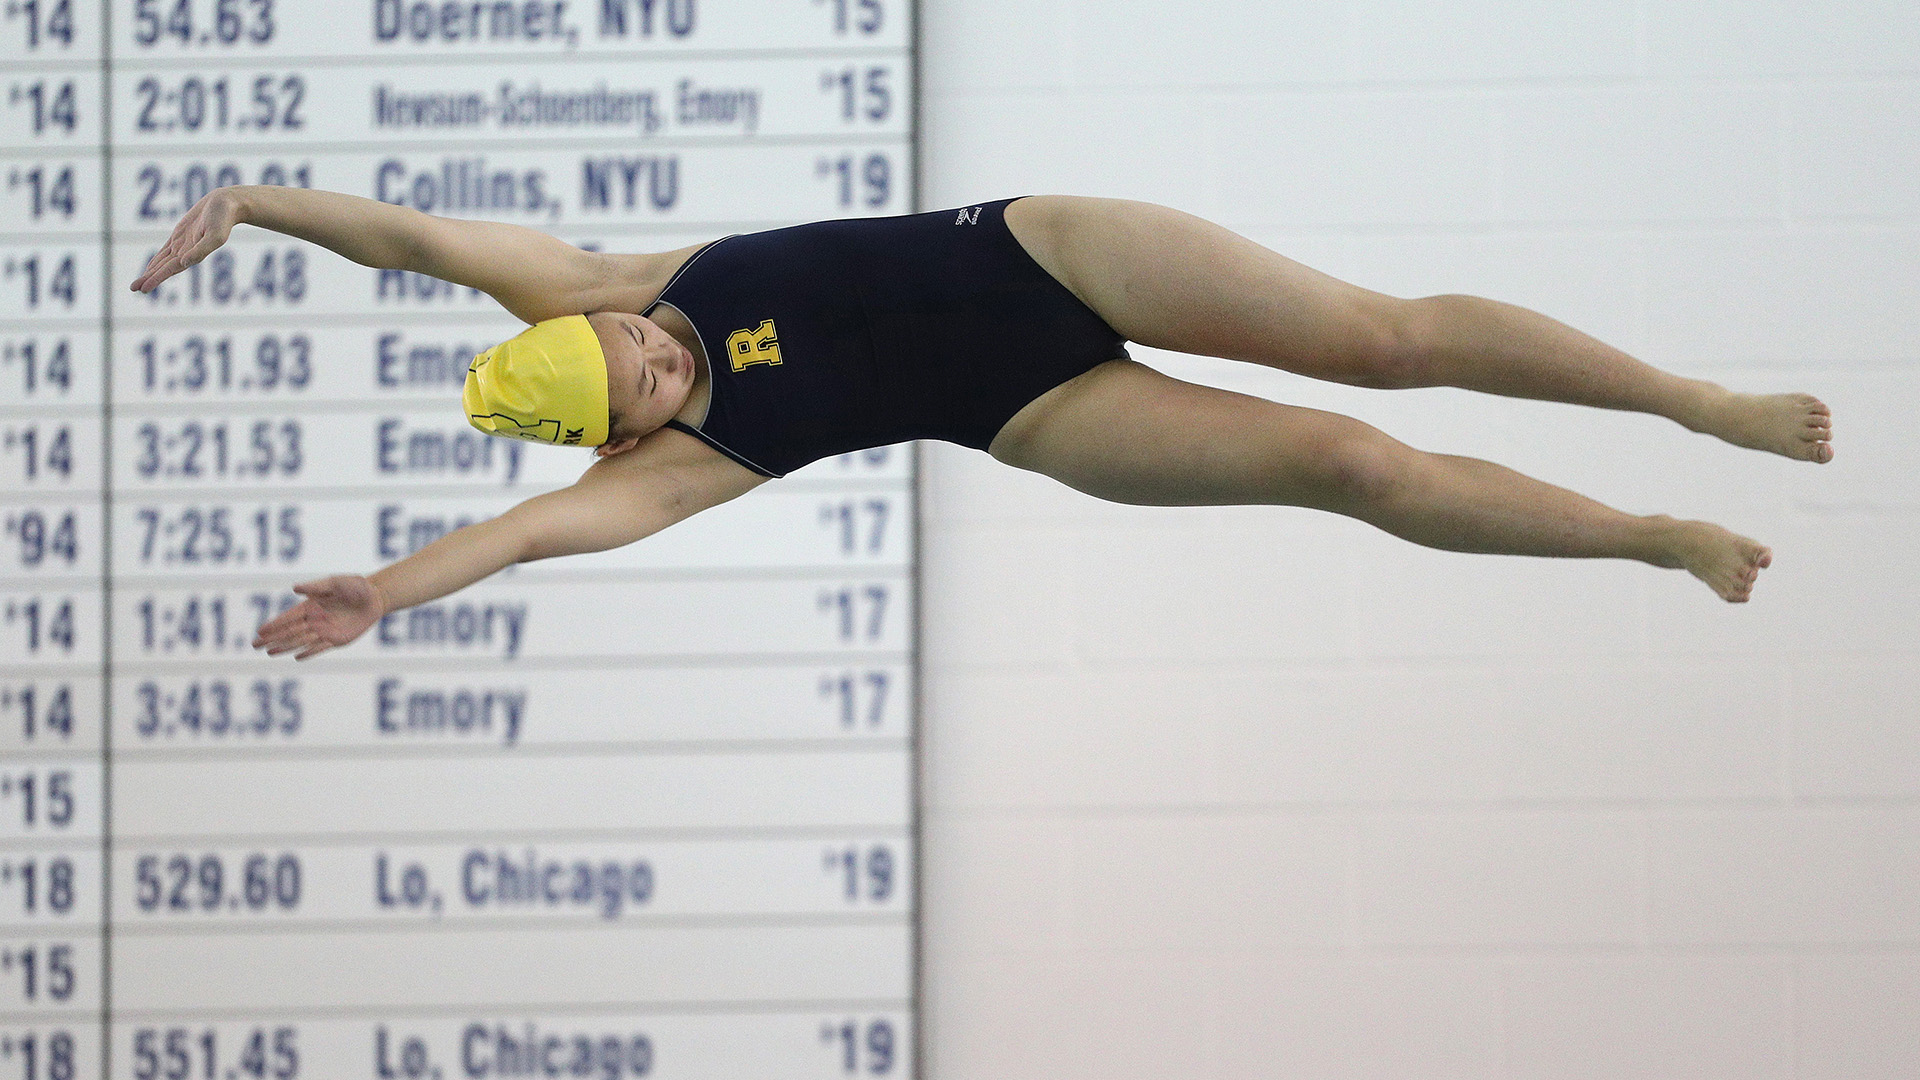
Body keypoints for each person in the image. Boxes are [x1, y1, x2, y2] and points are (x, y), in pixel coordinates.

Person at [129, 188, 1832, 659]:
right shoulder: (679, 475)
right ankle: (1652, 539)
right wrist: (383, 593)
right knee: (1352, 466)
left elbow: (416, 243)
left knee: (1384, 343)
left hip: (1042, 250)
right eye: (639, 377)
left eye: (626, 336)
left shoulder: (610, 283)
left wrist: (258, 202)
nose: (652, 345)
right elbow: (515, 538)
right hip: (1038, 407)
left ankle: (1697, 405)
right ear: (620, 438)